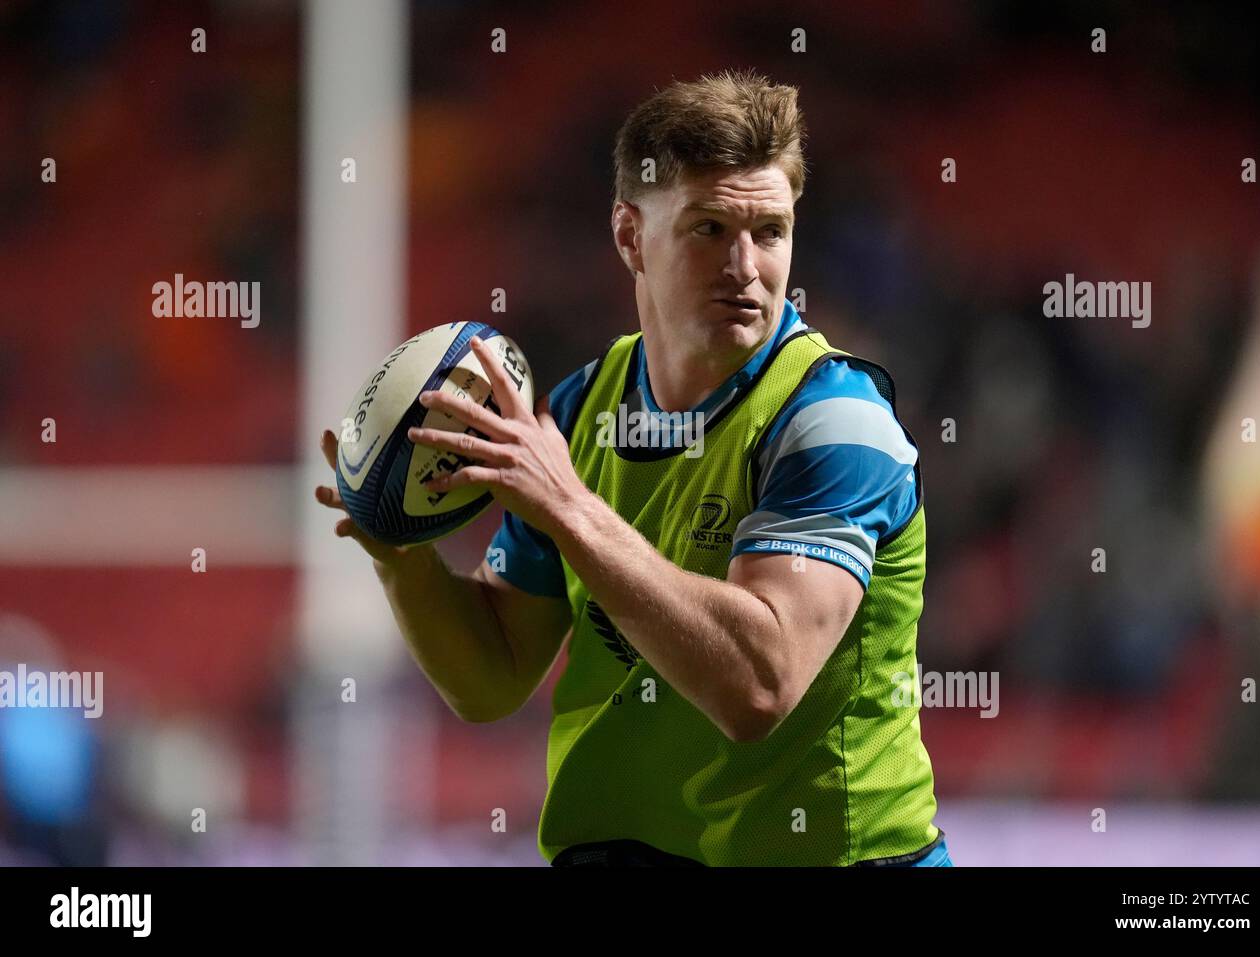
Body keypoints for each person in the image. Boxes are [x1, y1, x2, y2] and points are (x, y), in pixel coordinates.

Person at [315, 69, 948, 867]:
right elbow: (492, 679)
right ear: (628, 235)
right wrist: (402, 554)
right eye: (708, 229)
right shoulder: (581, 411)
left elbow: (760, 685)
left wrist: (570, 509)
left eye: (771, 232)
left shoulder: (835, 420)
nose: (746, 266)